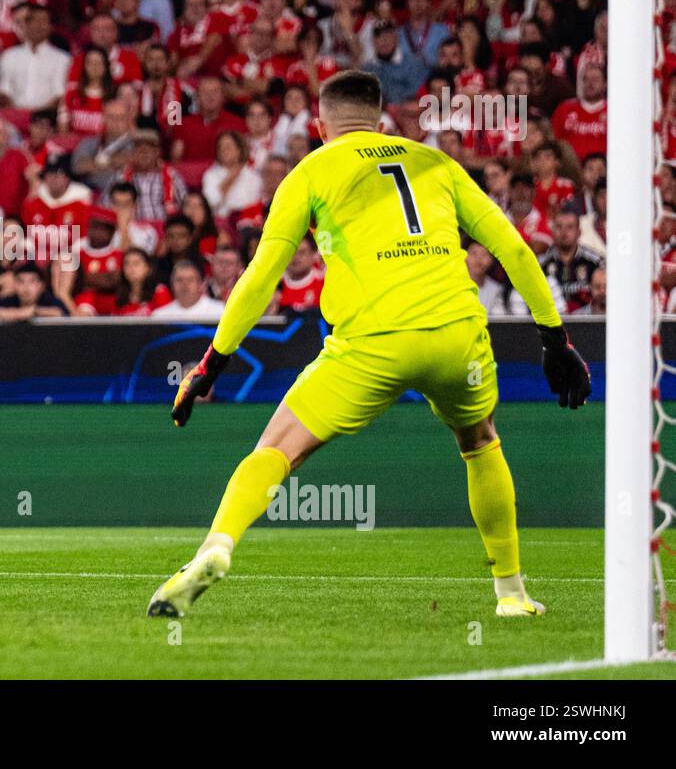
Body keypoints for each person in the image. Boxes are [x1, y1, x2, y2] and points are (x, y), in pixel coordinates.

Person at [148, 71, 589, 620]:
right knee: (480, 441)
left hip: (371, 341)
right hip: (455, 331)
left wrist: (211, 365)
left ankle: (215, 547)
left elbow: (262, 274)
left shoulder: (309, 171)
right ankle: (512, 595)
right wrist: (555, 339)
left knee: (276, 450)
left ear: (319, 126)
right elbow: (514, 249)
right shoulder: (436, 162)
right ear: (381, 122)